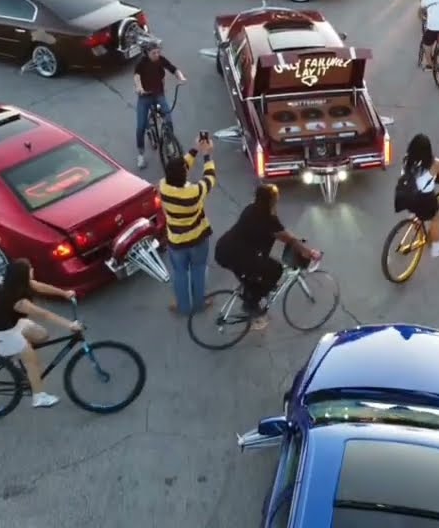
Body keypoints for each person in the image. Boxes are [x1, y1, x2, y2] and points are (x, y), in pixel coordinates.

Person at [0, 259, 79, 409]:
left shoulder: (17, 284)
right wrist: (70, 324)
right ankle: (39, 397)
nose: (32, 268)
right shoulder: (18, 301)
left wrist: (64, 293)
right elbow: (45, 315)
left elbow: (40, 287)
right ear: (22, 276)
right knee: (32, 362)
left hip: (11, 324)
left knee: (42, 335)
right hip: (1, 335)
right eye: (30, 268)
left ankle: (18, 355)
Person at [215, 185, 320, 330]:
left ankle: (251, 292)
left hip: (224, 249)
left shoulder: (251, 208)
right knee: (275, 270)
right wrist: (309, 252)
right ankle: (251, 306)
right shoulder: (267, 219)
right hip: (237, 256)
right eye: (275, 197)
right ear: (271, 200)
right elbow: (288, 238)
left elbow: (279, 231)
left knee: (256, 275)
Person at [160, 135, 218, 315]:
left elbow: (179, 168)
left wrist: (194, 150)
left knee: (179, 273)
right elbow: (210, 178)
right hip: (197, 239)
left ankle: (183, 306)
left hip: (176, 241)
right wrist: (206, 155)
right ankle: (199, 303)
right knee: (199, 270)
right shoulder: (194, 192)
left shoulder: (163, 186)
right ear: (184, 175)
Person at [133, 44, 187, 169]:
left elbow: (173, 69)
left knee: (168, 118)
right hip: (145, 96)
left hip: (158, 94)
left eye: (158, 52)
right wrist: (140, 88)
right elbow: (137, 77)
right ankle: (140, 155)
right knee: (140, 126)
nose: (157, 55)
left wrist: (181, 77)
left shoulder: (161, 60)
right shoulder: (141, 63)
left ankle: (169, 142)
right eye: (154, 53)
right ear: (147, 53)